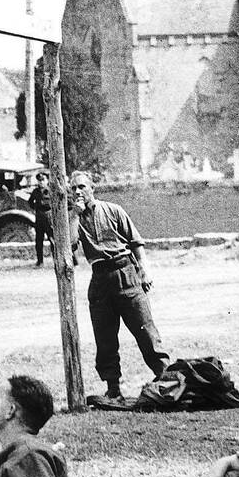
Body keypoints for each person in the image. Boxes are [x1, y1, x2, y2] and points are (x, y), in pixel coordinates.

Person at [69, 171, 170, 401]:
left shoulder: (113, 210)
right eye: (73, 189)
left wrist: (145, 271)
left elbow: (136, 242)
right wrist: (75, 214)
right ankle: (113, 387)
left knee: (146, 329)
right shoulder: (72, 218)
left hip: (126, 272)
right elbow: (70, 245)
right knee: (104, 337)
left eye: (82, 187)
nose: (77, 192)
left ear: (92, 188)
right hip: (100, 279)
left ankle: (166, 379)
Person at [28, 171, 54, 266]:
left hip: (49, 217)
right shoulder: (35, 191)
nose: (41, 182)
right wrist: (36, 207)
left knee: (52, 239)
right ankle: (40, 261)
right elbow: (30, 202)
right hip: (39, 217)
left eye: (43, 180)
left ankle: (56, 261)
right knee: (39, 240)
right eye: (39, 181)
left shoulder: (51, 190)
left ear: (47, 180)